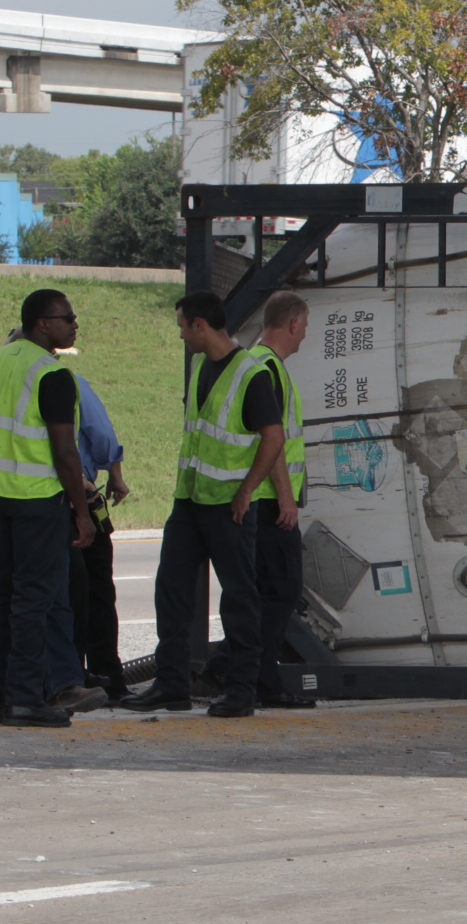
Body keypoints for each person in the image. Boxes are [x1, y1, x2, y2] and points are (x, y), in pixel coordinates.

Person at [119, 292, 283, 718]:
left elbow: (274, 437)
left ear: (199, 325)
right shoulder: (198, 367)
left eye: (181, 326)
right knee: (170, 591)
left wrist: (247, 490)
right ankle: (172, 685)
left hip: (229, 507)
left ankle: (241, 690)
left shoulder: (251, 373)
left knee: (238, 597)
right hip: (189, 501)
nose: (179, 334)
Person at [0, 290, 97, 728]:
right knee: (32, 598)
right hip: (33, 497)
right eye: (68, 318)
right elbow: (64, 451)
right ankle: (24, 699)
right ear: (43, 323)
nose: (75, 325)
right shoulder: (52, 375)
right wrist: (81, 512)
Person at [203, 291, 313, 708]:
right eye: (305, 326)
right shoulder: (265, 368)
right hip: (268, 502)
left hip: (264, 500)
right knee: (282, 591)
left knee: (268, 590)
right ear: (293, 325)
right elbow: (275, 442)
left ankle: (263, 680)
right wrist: (286, 497)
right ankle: (230, 661)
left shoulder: (262, 366)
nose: (305, 335)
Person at [69, 369, 131, 702]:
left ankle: (68, 674)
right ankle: (106, 673)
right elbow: (103, 435)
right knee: (96, 592)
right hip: (81, 496)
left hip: (22, 504)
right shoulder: (70, 382)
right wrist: (116, 475)